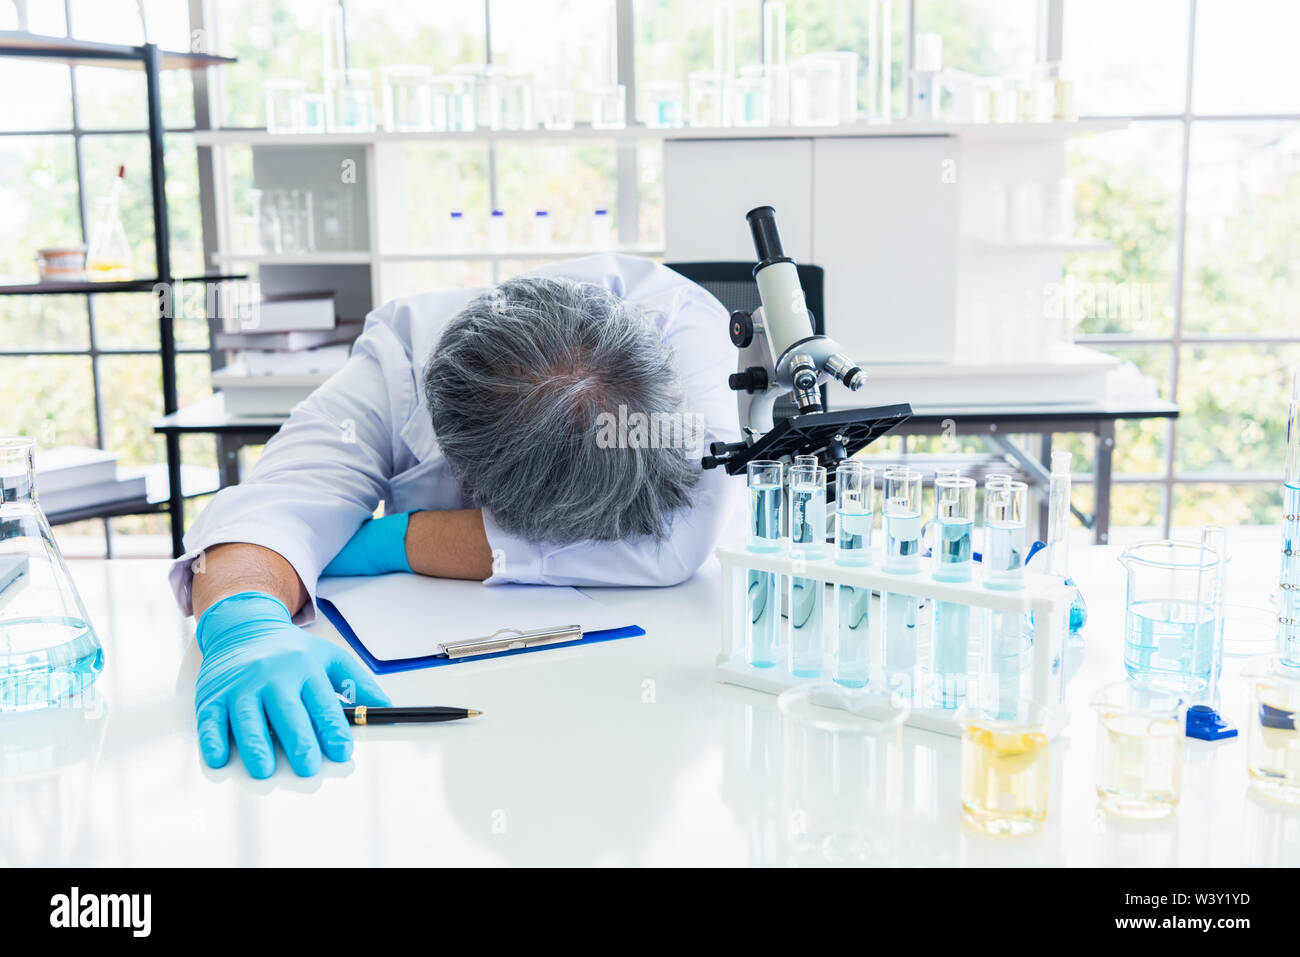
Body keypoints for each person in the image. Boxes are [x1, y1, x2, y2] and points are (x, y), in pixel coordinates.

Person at [170, 255, 738, 779]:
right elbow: (282, 502)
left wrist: (397, 541)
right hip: (434, 667)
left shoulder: (684, 337)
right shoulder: (398, 363)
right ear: (464, 470)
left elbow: (678, 542)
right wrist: (245, 619)